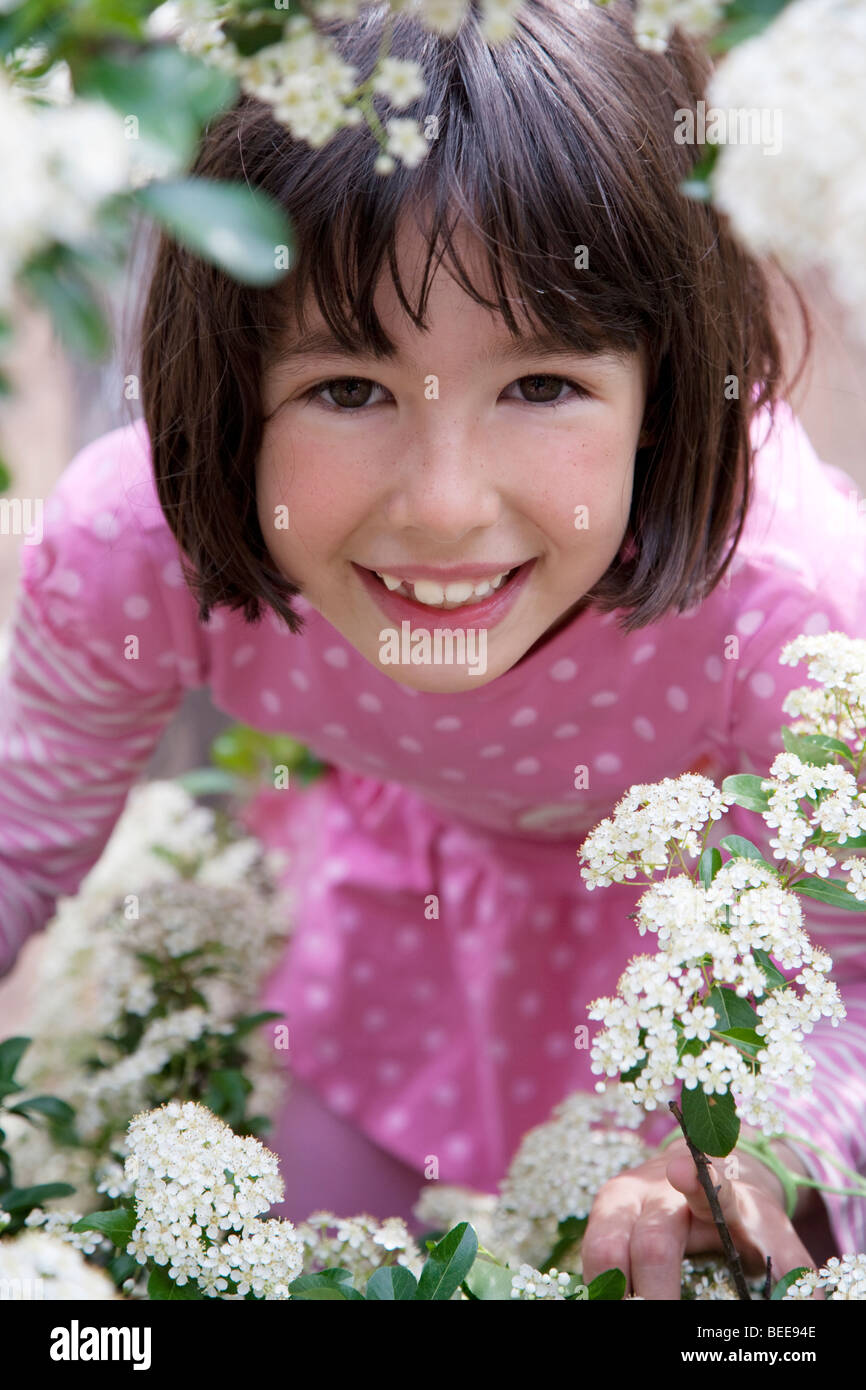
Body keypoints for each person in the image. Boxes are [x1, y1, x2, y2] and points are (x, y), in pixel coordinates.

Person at [1, 0, 864, 1299]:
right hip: (401, 925)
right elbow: (17, 832)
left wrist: (750, 1134)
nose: (444, 505)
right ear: (226, 392)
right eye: (345, 390)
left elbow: (846, 959)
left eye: (541, 385)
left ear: (662, 389)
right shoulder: (140, 554)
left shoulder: (790, 610)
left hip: (705, 968)